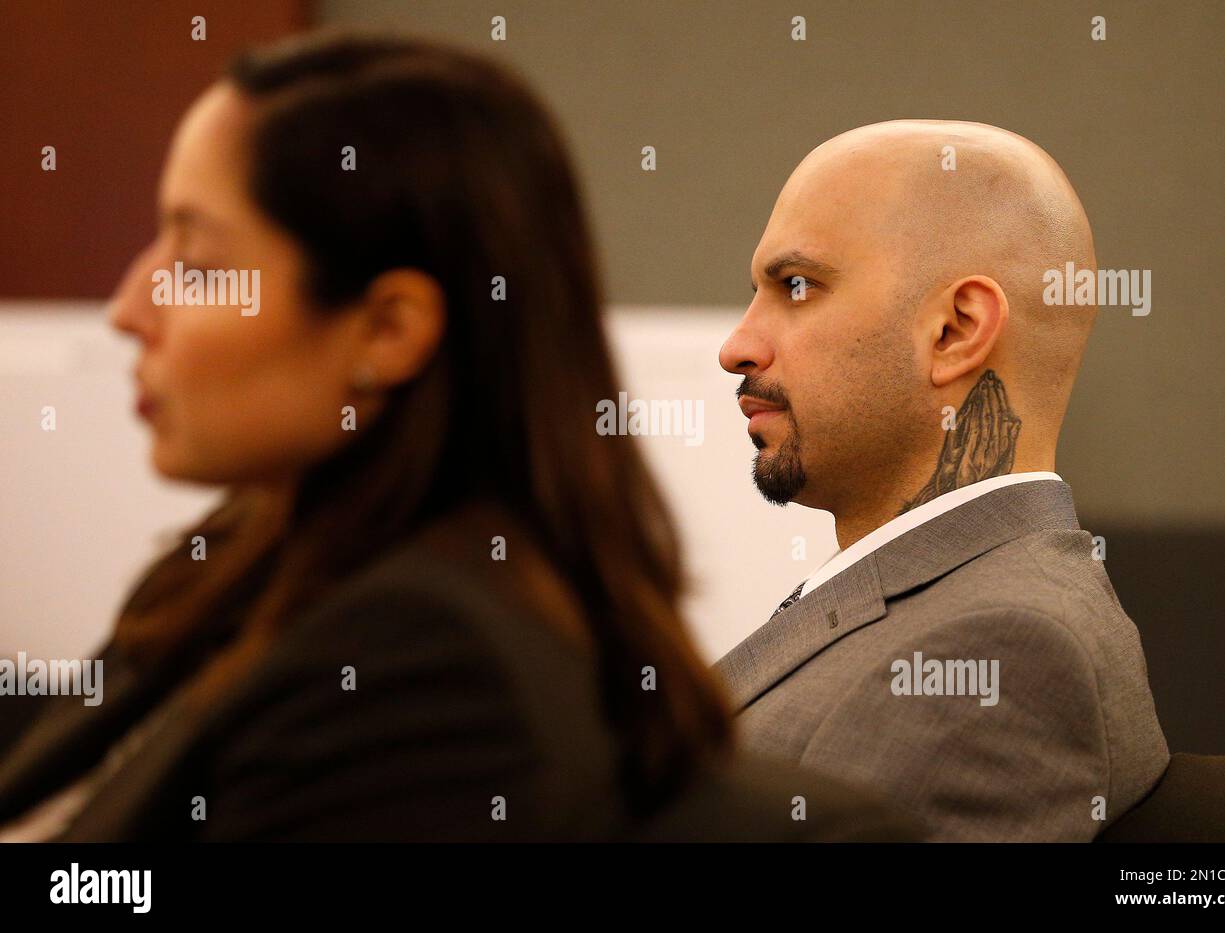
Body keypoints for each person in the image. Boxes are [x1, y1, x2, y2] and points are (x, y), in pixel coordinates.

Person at [0, 32, 912, 842]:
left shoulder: (419, 666)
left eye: (196, 265)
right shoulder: (227, 565)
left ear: (389, 329)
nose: (129, 309)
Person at [715, 119, 1169, 841]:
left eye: (796, 286)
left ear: (956, 329)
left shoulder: (996, 654)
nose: (735, 346)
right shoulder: (937, 603)